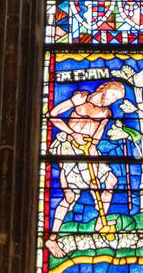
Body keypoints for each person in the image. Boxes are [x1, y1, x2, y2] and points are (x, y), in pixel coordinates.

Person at [44, 81, 126, 261]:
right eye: (112, 95)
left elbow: (96, 137)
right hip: (68, 147)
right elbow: (52, 115)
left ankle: (100, 223)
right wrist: (73, 133)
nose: (112, 100)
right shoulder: (80, 98)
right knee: (70, 197)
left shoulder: (106, 113)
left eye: (116, 99)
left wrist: (93, 151)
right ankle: (52, 239)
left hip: (87, 151)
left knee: (111, 180)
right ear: (104, 89)